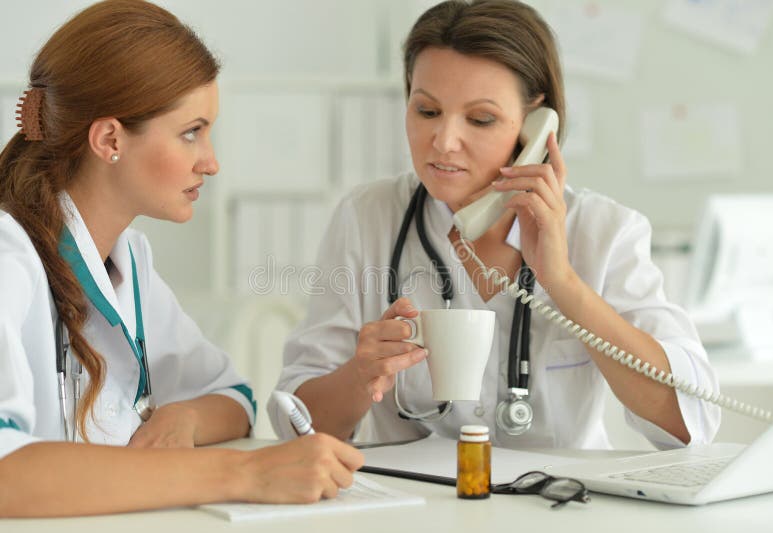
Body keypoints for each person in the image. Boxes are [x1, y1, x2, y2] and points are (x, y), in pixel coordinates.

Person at [269, 0, 721, 450]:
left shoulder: (606, 232)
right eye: (426, 111)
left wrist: (562, 283)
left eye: (480, 119)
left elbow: (691, 424)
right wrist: (360, 373)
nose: (444, 142)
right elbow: (297, 424)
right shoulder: (367, 217)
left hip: (559, 511)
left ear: (535, 127)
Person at [0, 0, 362, 518]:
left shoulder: (130, 260)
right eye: (191, 131)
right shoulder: (8, 257)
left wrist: (185, 417)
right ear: (109, 139)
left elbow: (233, 399)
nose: (210, 162)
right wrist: (246, 474)